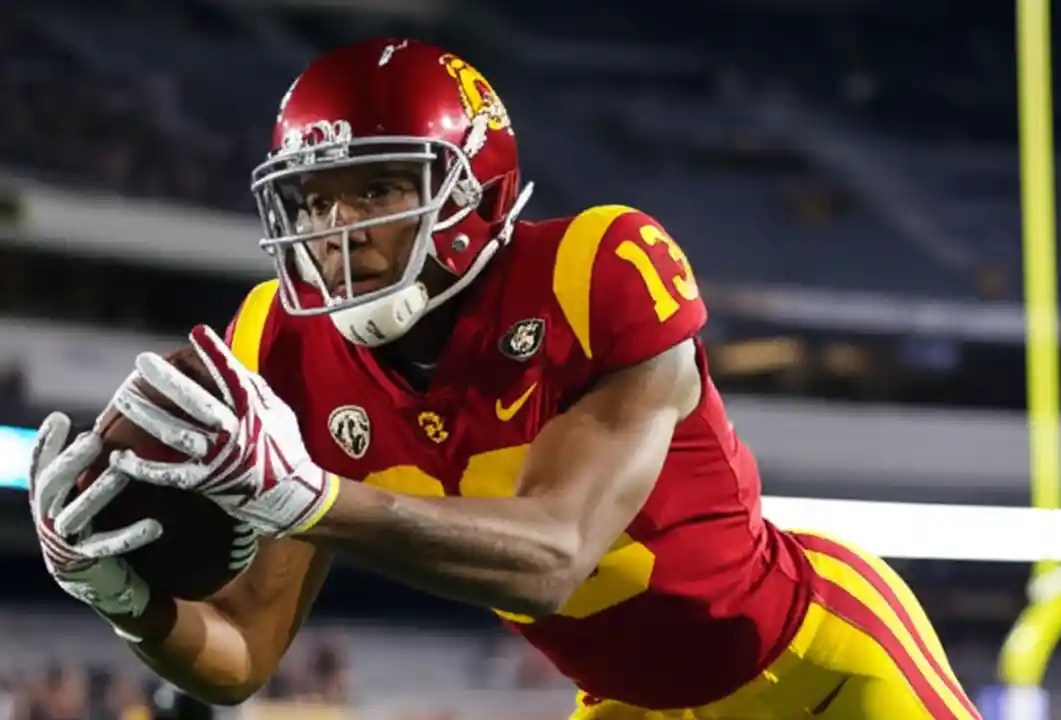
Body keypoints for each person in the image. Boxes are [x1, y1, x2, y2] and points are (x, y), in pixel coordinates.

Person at [27, 38, 979, 719]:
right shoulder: (281, 344)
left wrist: (307, 496)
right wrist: (127, 603)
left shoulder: (595, 267)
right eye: (312, 200)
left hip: (818, 668)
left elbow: (555, 556)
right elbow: (240, 659)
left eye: (373, 191)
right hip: (630, 706)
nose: (334, 230)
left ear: (472, 191)